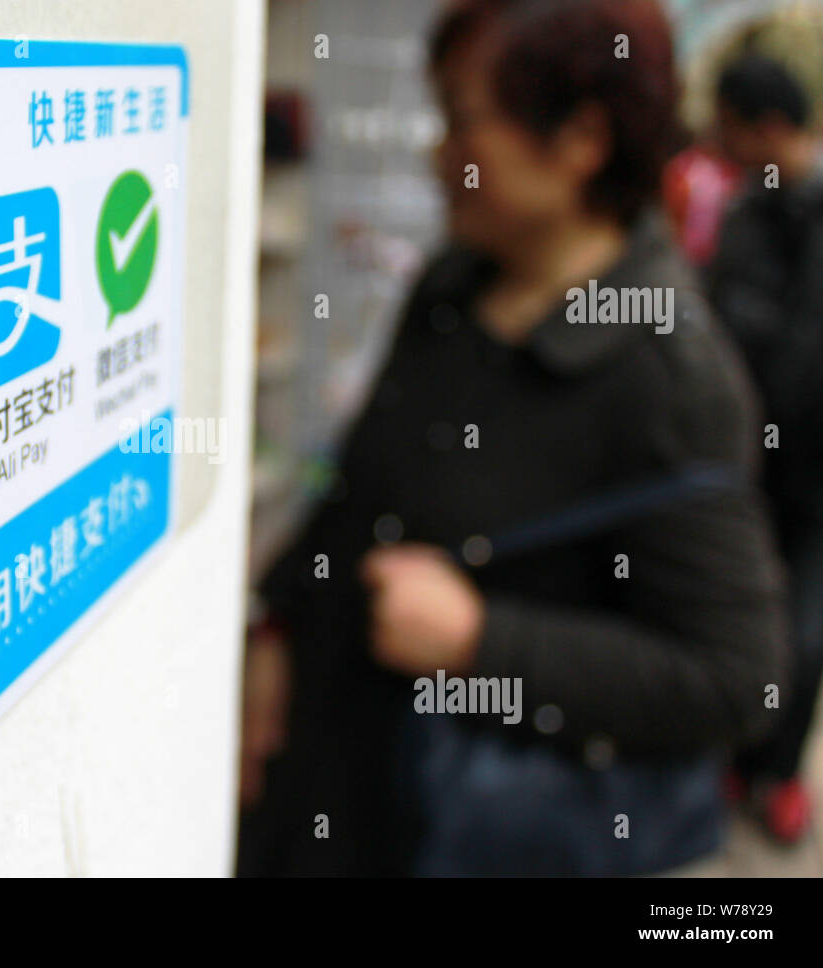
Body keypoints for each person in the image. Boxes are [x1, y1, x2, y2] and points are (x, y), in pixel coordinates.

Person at [238, 0, 790, 876]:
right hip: (327, 786)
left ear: (579, 140)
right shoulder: (457, 285)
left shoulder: (665, 373)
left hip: (456, 828)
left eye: (462, 122)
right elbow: (363, 488)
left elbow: (733, 678)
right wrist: (275, 628)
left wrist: (479, 641)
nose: (438, 154)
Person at [706, 52, 823, 844]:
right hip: (751, 460)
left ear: (767, 127)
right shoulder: (750, 208)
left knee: (805, 624)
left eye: (727, 123)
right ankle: (738, 755)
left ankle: (774, 771)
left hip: (813, 464)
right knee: (742, 607)